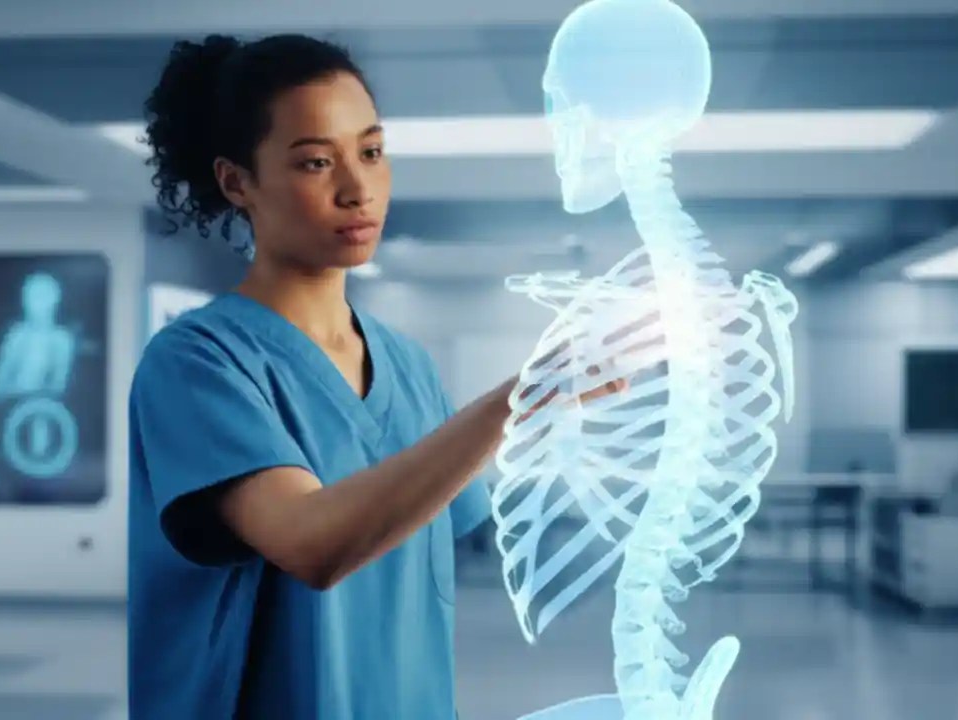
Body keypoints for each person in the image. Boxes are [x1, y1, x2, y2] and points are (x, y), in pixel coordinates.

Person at [129, 34, 625, 719]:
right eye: (314, 162)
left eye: (371, 152)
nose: (357, 188)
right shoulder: (198, 363)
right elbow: (313, 544)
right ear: (237, 181)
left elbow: (421, 573)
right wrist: (510, 406)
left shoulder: (408, 368)